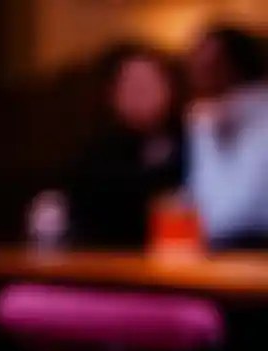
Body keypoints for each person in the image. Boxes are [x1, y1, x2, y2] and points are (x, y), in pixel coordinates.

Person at [64, 45, 187, 247]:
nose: (139, 93)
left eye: (148, 84)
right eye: (129, 85)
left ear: (170, 89)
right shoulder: (96, 152)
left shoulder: (194, 141)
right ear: (112, 96)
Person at [186, 25, 268, 247]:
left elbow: (224, 217)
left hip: (254, 251)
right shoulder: (200, 120)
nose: (199, 74)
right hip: (211, 250)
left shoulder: (261, 122)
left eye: (213, 67)